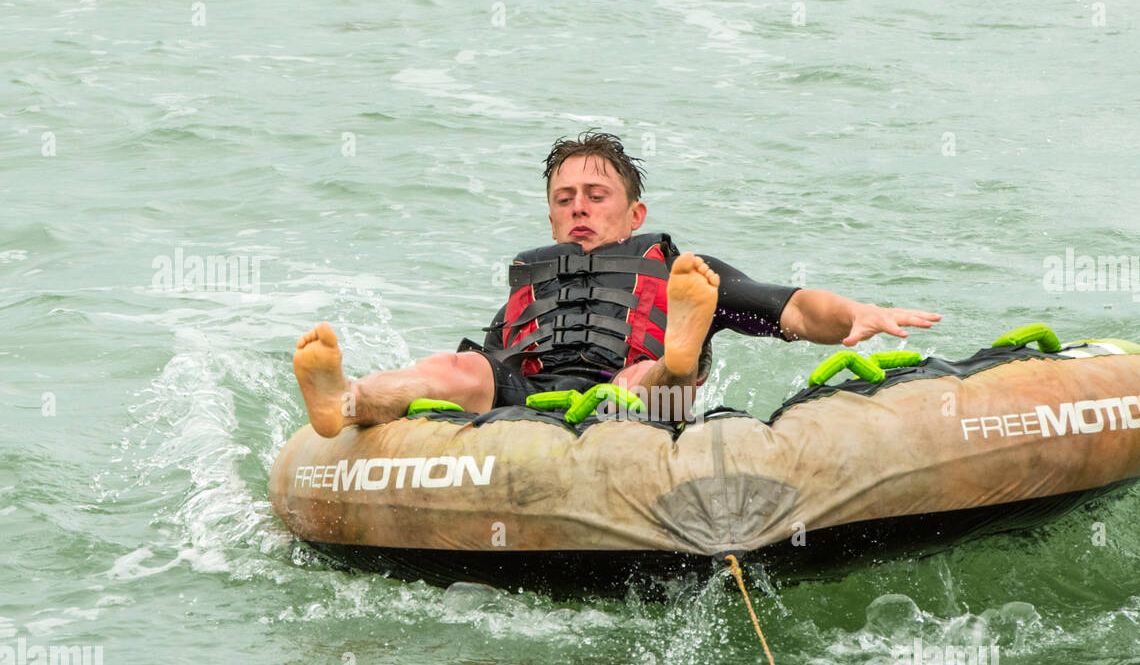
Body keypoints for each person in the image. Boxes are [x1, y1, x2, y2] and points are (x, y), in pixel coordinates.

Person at [293, 131, 940, 436]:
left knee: (641, 381)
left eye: (596, 195)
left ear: (635, 215)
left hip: (641, 405)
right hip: (533, 401)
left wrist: (852, 313)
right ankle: (345, 399)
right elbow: (491, 366)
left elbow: (790, 309)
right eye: (565, 198)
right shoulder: (532, 285)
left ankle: (680, 354)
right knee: (455, 368)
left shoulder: (683, 273)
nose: (579, 206)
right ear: (551, 217)